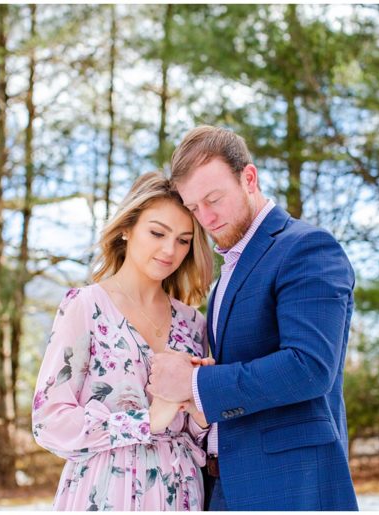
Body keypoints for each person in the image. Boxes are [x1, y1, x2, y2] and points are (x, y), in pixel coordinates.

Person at [148, 126, 359, 510]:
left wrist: (195, 382)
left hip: (288, 487)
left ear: (249, 178)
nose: (206, 219)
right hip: (223, 485)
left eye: (214, 200)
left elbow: (309, 367)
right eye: (194, 208)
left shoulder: (306, 248)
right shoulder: (230, 266)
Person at [32, 171, 215, 511]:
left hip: (182, 492)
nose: (169, 250)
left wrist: (199, 408)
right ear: (126, 229)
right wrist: (142, 423)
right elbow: (49, 421)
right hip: (105, 490)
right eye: (157, 232)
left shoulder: (194, 324)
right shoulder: (85, 307)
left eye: (183, 240)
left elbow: (198, 432)